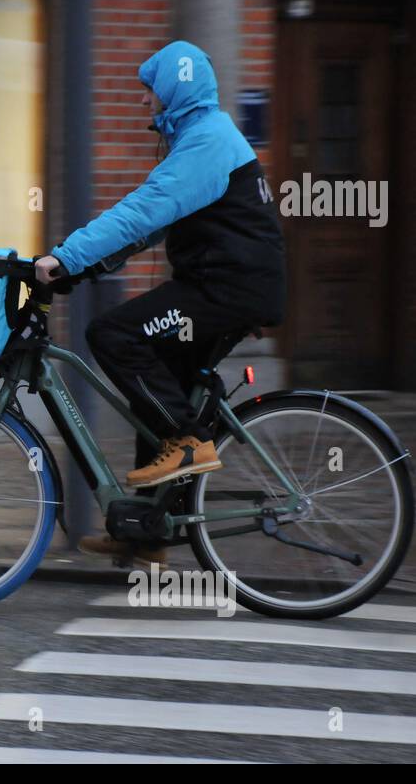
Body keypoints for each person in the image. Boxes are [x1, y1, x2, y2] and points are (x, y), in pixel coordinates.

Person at [33, 40, 286, 562]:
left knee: (113, 334)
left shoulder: (207, 141)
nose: (143, 100)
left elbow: (142, 212)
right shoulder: (202, 138)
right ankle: (146, 530)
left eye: (150, 89)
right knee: (158, 383)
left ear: (175, 87)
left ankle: (190, 443)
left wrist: (66, 257)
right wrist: (87, 266)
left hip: (224, 288)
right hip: (225, 284)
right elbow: (153, 227)